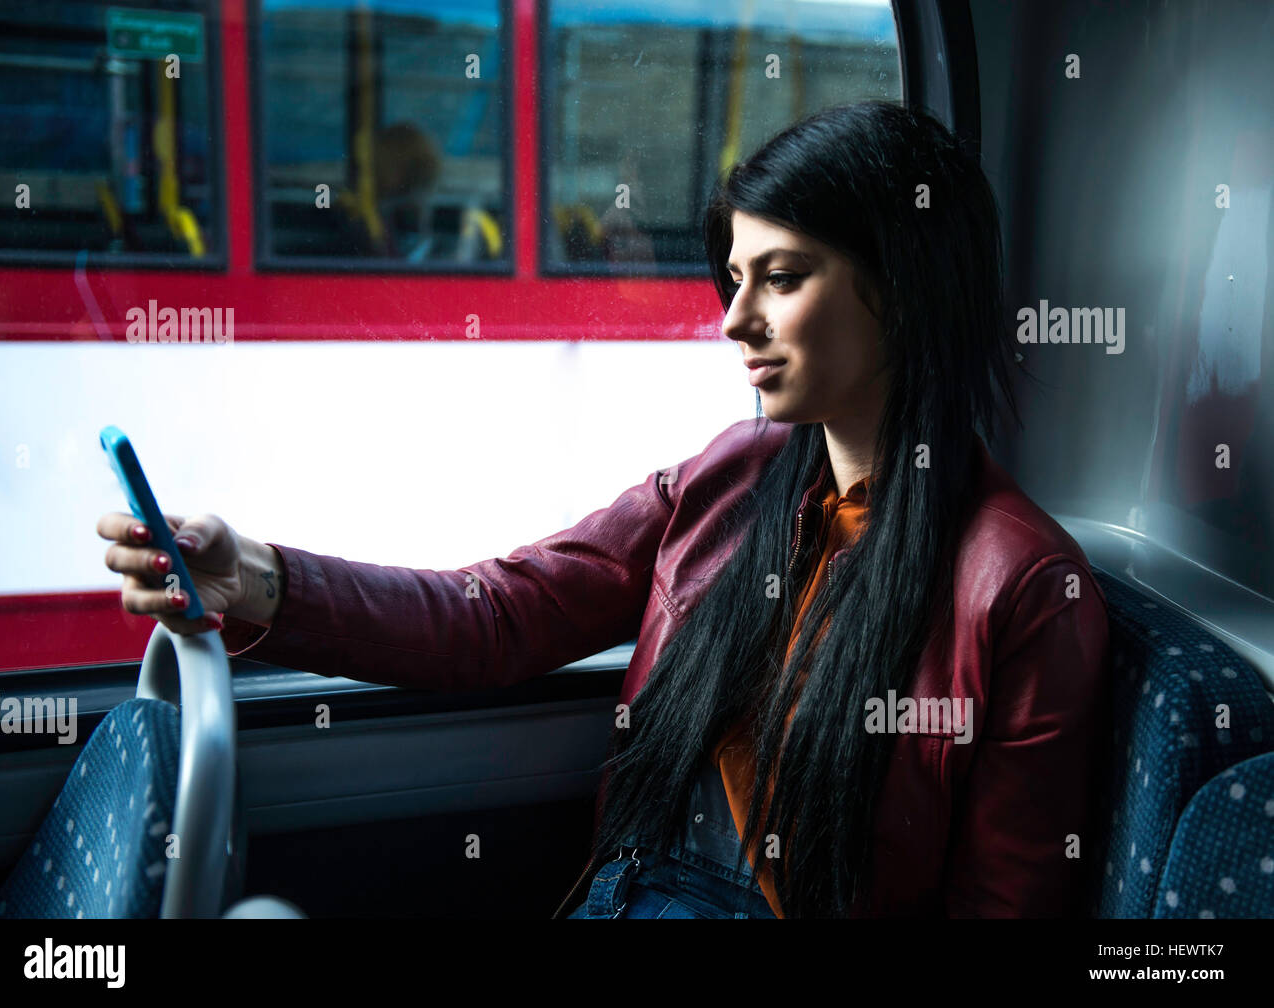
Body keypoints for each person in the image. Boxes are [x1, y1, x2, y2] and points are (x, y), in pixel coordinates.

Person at [97, 101, 1110, 918]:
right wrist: (255, 576)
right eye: (732, 279)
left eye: (783, 278)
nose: (733, 320)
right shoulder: (731, 476)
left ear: (905, 288)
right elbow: (495, 618)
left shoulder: (1018, 585)